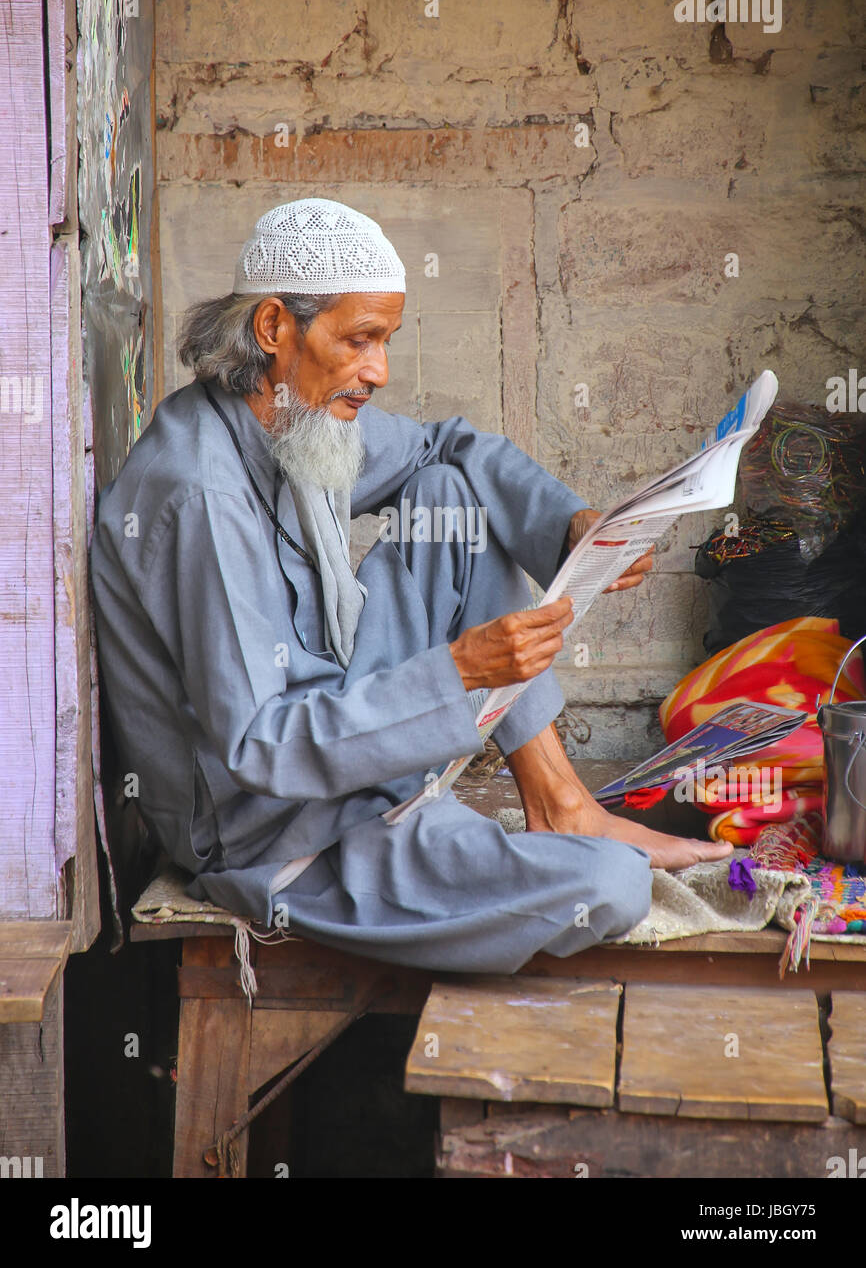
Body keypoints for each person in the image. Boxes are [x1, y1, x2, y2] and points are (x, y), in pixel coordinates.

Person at [90, 197, 731, 974]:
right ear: (272, 330)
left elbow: (447, 449)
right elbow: (263, 744)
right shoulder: (200, 494)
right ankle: (498, 839)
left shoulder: (295, 412)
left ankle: (562, 803)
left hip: (336, 732)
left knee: (456, 497)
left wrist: (565, 526)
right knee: (610, 888)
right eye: (360, 340)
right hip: (273, 824)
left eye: (386, 342)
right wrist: (458, 674)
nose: (379, 372)